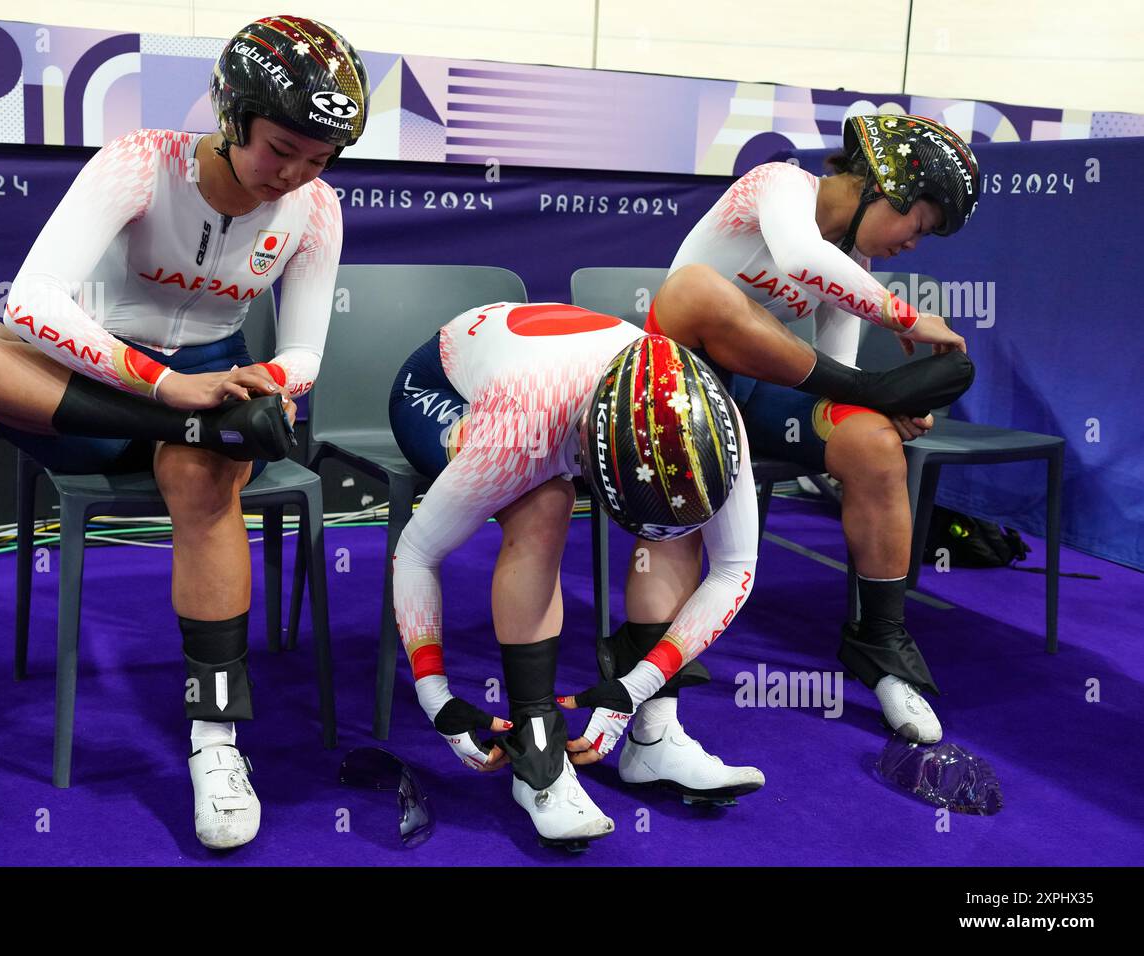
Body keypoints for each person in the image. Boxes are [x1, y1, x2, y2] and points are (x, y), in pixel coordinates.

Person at [0, 15, 369, 850]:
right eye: (280, 149)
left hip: (213, 383)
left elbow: (304, 351)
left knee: (199, 476)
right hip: (100, 384)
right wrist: (169, 392)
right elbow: (32, 303)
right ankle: (192, 430)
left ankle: (217, 741)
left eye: (319, 158)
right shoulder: (139, 161)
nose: (297, 174)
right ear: (232, 117)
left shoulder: (318, 209)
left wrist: (272, 383)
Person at [633, 114, 981, 747]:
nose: (913, 245)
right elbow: (798, 255)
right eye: (921, 224)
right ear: (887, 185)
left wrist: (876, 411)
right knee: (700, 289)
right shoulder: (778, 185)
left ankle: (880, 644)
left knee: (871, 441)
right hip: (675, 379)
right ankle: (655, 694)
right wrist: (900, 314)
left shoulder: (854, 258)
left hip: (752, 387)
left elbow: (839, 377)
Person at [389, 302, 766, 849]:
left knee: (680, 514)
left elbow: (735, 569)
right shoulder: (519, 425)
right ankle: (537, 752)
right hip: (446, 388)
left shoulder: (712, 418)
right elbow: (417, 553)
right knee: (545, 500)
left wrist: (636, 689)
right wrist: (433, 692)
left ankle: (655, 734)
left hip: (560, 383)